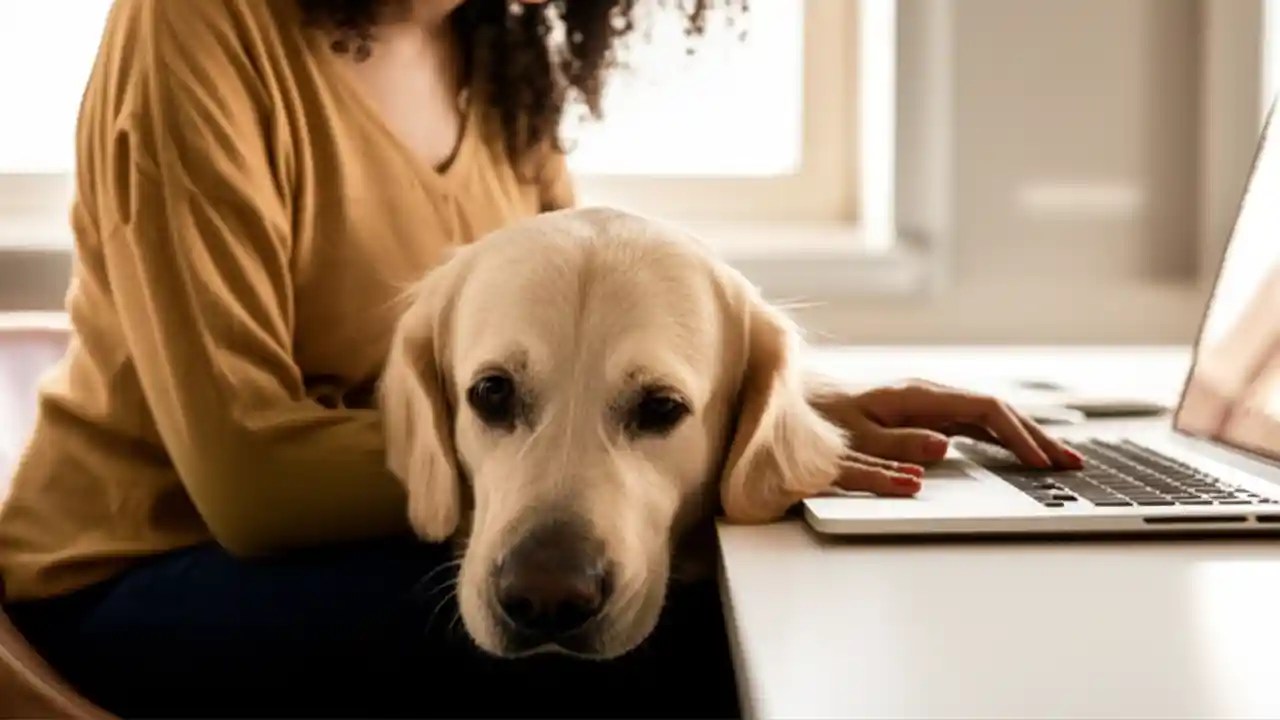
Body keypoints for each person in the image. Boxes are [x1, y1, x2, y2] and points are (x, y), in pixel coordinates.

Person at [0, 0, 1084, 716]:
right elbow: (251, 481)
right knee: (725, 648)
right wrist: (733, 462)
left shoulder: (500, 48)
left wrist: (789, 412)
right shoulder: (197, 26)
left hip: (369, 551)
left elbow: (577, 357)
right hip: (130, 582)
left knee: (799, 592)